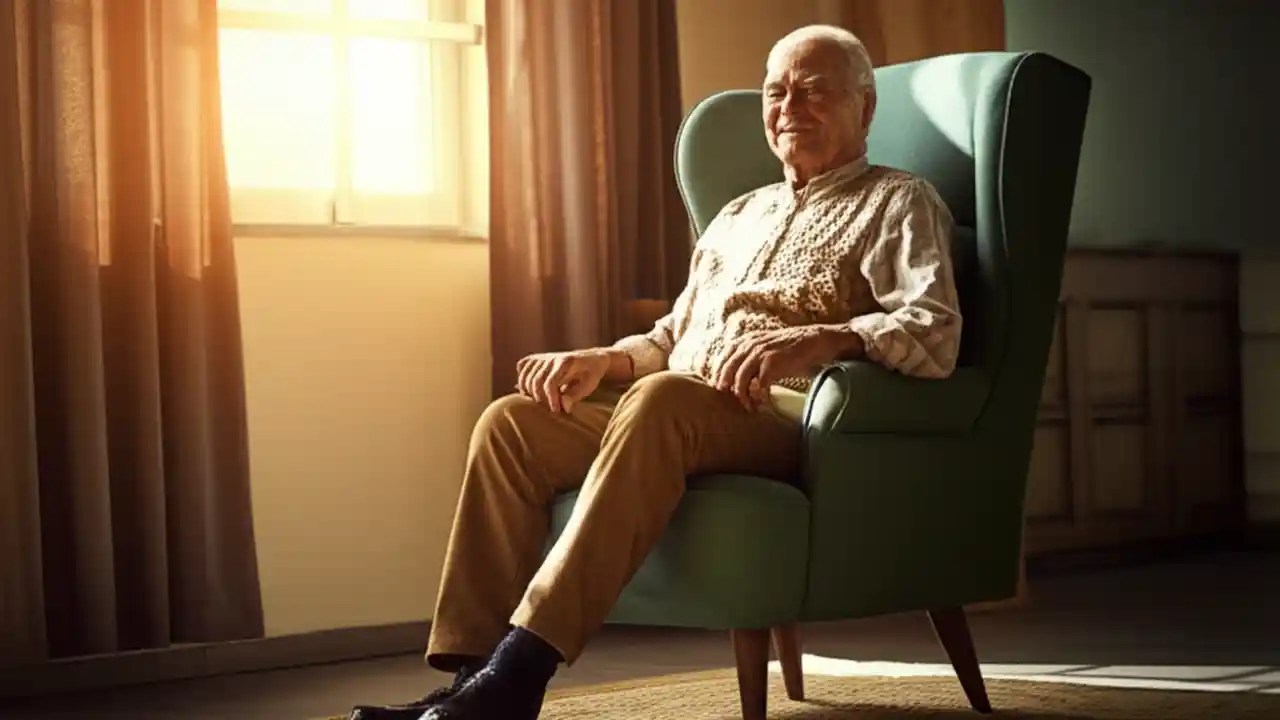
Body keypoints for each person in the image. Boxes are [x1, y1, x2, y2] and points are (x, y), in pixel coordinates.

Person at [349, 23, 962, 720]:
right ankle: (470, 687)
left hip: (786, 418)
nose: (790, 107)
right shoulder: (738, 214)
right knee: (512, 424)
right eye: (777, 92)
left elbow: (933, 330)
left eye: (814, 91)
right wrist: (604, 360)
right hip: (675, 405)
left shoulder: (899, 202)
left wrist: (821, 340)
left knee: (661, 398)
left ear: (865, 107)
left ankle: (520, 672)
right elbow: (675, 334)